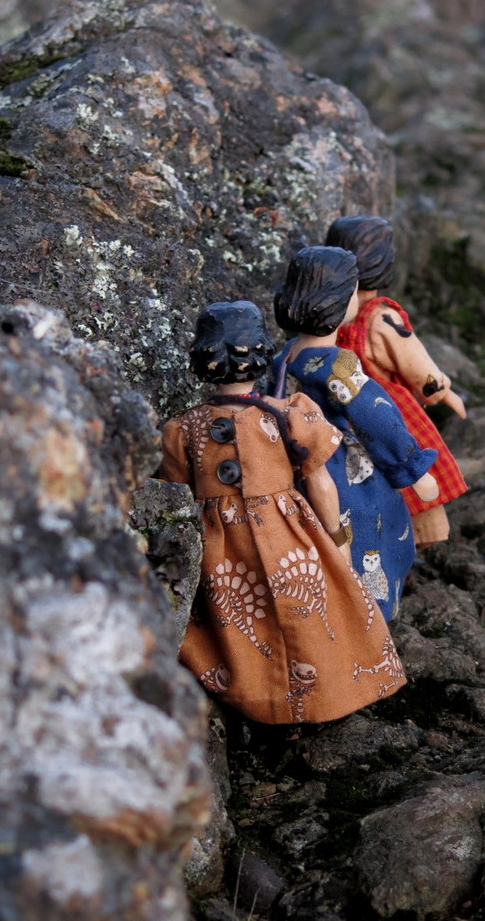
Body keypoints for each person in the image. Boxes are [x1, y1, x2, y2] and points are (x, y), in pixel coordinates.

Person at [159, 300, 406, 724]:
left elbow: (175, 497)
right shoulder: (289, 414)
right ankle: (315, 698)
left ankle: (264, 702)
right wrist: (336, 536)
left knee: (237, 619)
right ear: (258, 353)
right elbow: (321, 482)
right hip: (290, 534)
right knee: (312, 610)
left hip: (221, 544)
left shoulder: (183, 430)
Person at [273, 246, 438, 620]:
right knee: (369, 538)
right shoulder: (340, 366)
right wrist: (412, 469)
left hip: (295, 468)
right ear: (338, 302)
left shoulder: (283, 356)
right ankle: (371, 618)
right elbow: (377, 418)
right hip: (343, 469)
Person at [326, 215, 468, 546]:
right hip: (385, 405)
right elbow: (415, 362)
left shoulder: (334, 316)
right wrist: (442, 390)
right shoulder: (380, 317)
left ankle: (392, 540)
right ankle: (415, 537)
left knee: (370, 477)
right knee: (408, 464)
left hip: (346, 409)